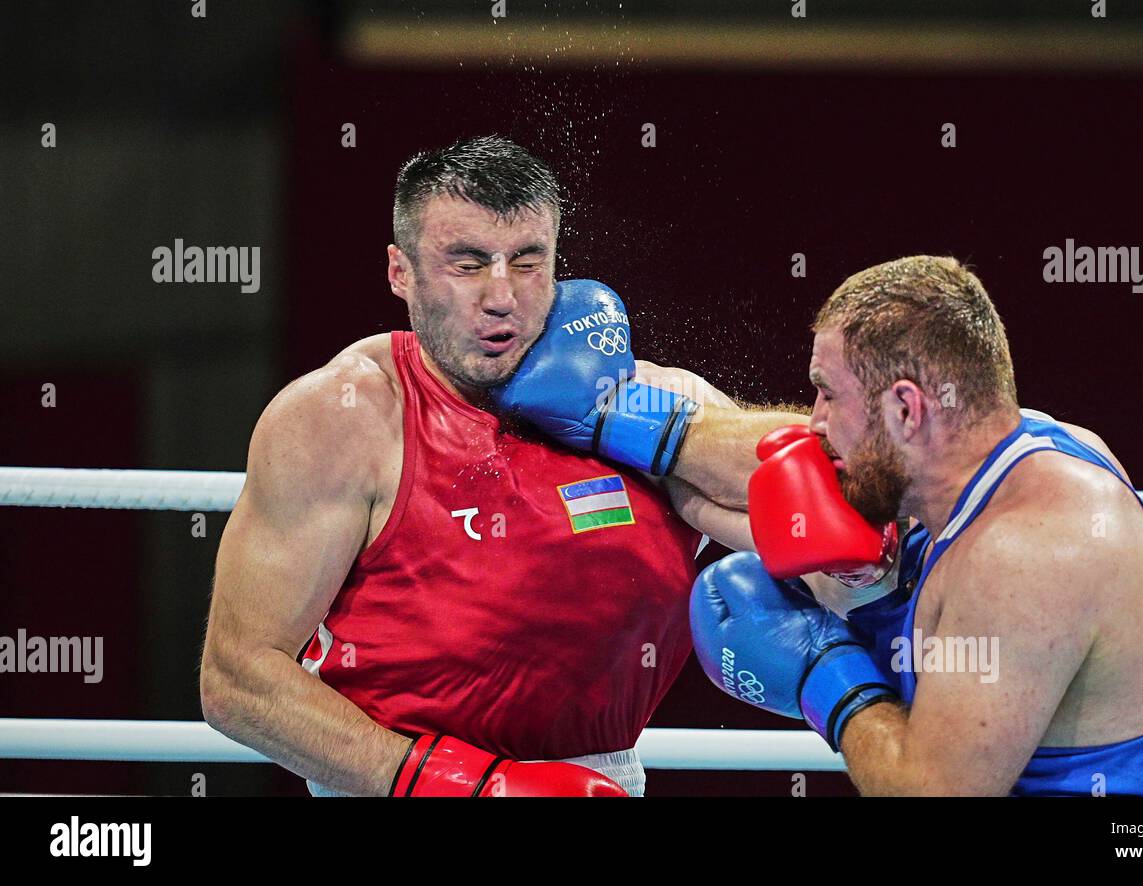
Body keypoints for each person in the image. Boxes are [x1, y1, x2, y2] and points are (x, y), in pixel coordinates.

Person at [498, 254, 1143, 796]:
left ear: (906, 408)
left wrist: (827, 677)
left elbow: (929, 791)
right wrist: (624, 427)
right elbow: (774, 489)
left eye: (826, 395)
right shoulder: (993, 453)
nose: (814, 421)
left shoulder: (1026, 556)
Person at [198, 135, 757, 797]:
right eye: (467, 264)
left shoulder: (642, 397)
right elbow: (236, 679)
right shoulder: (343, 416)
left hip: (596, 782)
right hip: (391, 783)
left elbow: (826, 507)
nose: (502, 296)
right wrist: (463, 786)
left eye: (527, 262)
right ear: (400, 271)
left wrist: (627, 423)